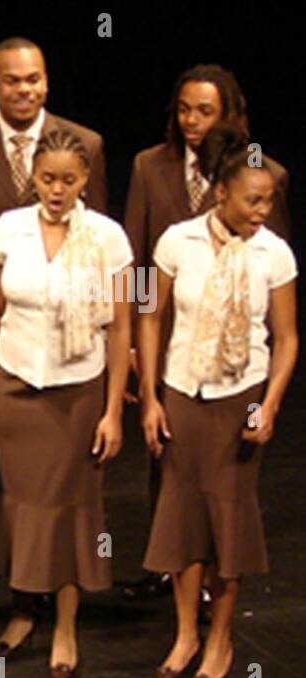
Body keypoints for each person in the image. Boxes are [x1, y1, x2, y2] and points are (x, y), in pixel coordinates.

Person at [0, 37, 107, 593]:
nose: (24, 89)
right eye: (12, 80)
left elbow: (98, 234)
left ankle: (42, 571)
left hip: (61, 326)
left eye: (33, 79)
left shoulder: (84, 143)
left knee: (52, 464)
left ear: (47, 81)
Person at [120, 64, 291, 602]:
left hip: (234, 352)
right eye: (183, 109)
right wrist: (131, 339)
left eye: (205, 111)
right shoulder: (151, 165)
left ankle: (218, 574)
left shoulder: (265, 175)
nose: (191, 121)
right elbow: (142, 257)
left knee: (226, 481)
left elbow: (270, 258)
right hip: (173, 337)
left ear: (229, 115)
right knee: (169, 465)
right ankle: (169, 567)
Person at [139, 124, 297, 678]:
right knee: (182, 523)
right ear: (221, 194)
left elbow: (287, 338)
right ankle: (184, 636)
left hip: (238, 400)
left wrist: (269, 405)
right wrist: (151, 395)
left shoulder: (273, 252)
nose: (262, 210)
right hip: (183, 393)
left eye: (269, 201)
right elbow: (149, 316)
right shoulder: (176, 241)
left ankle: (220, 640)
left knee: (226, 527)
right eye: (252, 200)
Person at [0, 129, 133, 678]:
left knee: (68, 508)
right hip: (14, 382)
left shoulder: (109, 239)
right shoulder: (8, 229)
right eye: (47, 179)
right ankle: (22, 611)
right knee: (20, 506)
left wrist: (114, 411)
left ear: (85, 180)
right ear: (32, 177)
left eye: (68, 180)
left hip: (77, 389)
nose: (56, 190)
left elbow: (121, 330)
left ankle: (65, 626)